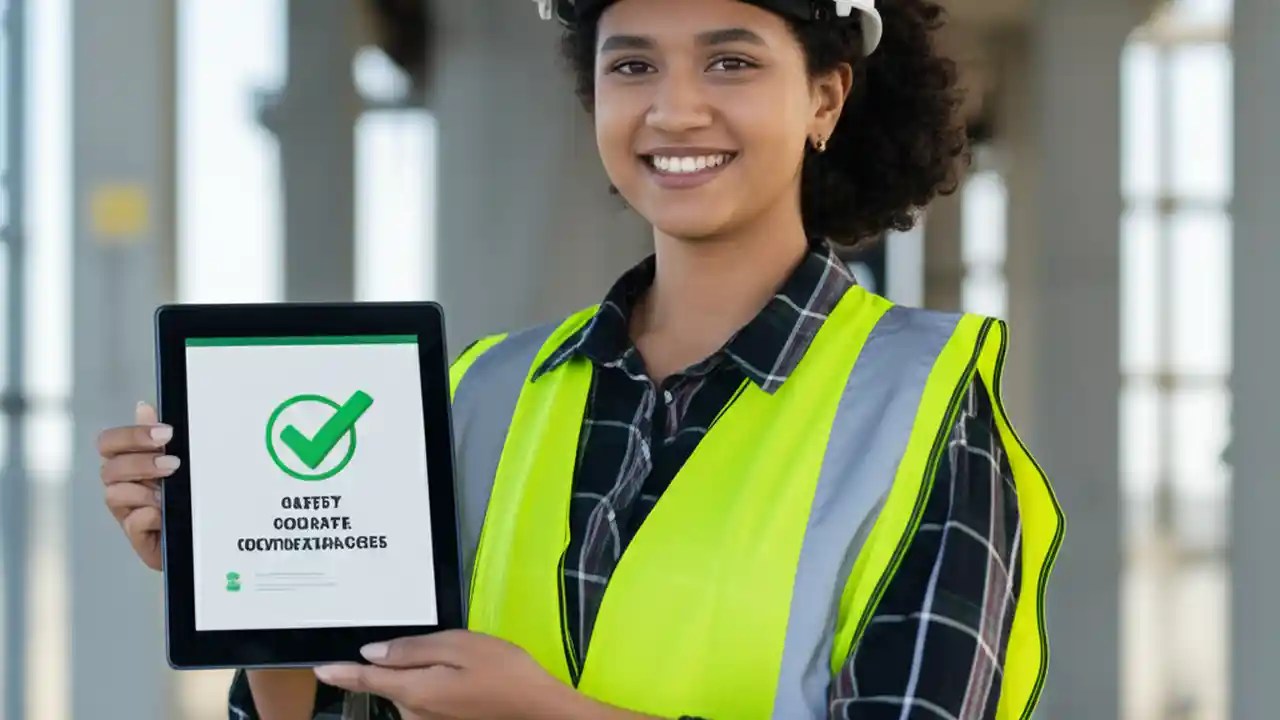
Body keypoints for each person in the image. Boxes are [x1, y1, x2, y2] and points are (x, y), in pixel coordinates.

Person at [96, 0, 1063, 718]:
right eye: (633, 65)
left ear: (825, 97)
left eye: (730, 61)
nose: (675, 109)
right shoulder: (482, 395)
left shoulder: (919, 410)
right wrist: (250, 573)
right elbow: (337, 705)